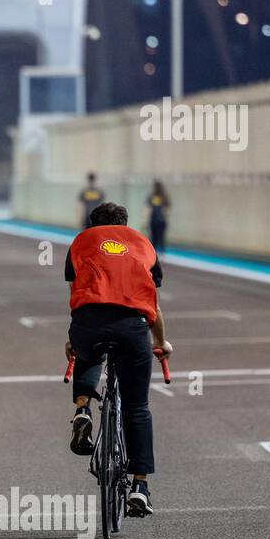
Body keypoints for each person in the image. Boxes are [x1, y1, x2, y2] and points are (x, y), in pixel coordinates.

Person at [64, 202, 172, 517]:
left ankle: (82, 408)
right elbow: (154, 301)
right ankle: (139, 486)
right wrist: (160, 342)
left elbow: (77, 294)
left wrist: (73, 338)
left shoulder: (81, 242)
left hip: (88, 319)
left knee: (87, 349)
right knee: (137, 406)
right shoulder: (143, 244)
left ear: (91, 223)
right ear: (126, 224)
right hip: (133, 326)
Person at [146, 180, 171, 253]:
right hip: (161, 220)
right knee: (161, 237)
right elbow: (167, 209)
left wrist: (147, 220)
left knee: (155, 238)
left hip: (155, 219)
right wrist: (166, 217)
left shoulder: (153, 196)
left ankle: (155, 253)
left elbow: (149, 209)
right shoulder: (164, 196)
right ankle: (162, 251)